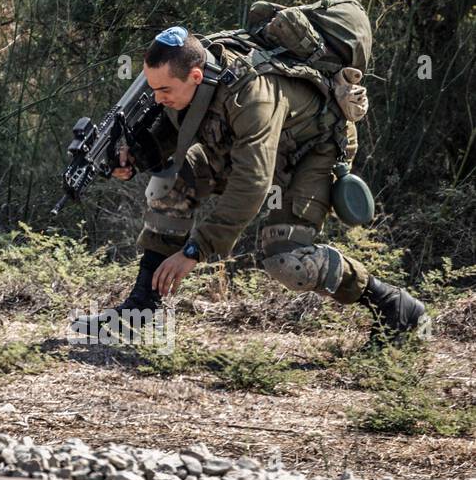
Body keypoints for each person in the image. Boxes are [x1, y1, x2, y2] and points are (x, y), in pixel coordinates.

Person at [72, 25, 430, 347]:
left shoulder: (251, 96)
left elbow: (253, 182)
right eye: (153, 89)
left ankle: (393, 305)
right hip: (247, 147)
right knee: (168, 184)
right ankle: (140, 309)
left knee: (288, 261)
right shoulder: (187, 85)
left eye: (164, 89)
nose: (158, 96)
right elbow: (173, 134)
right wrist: (132, 157)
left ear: (195, 75)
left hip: (309, 152)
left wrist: (196, 250)